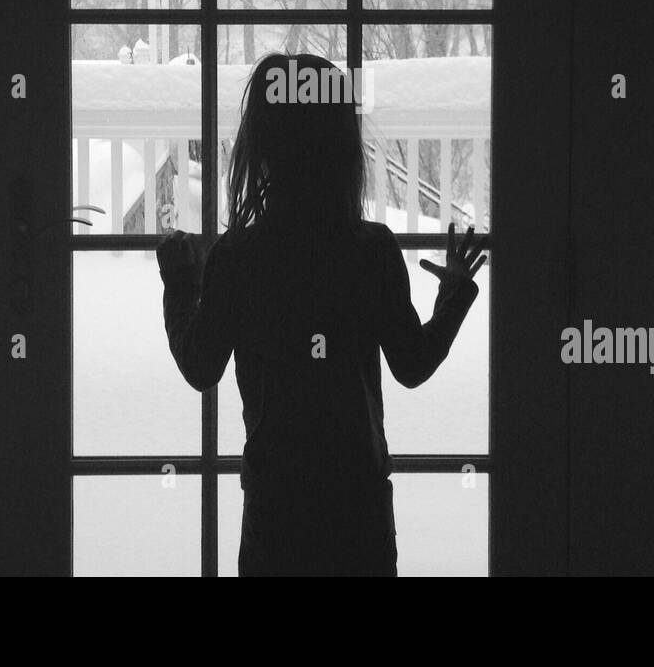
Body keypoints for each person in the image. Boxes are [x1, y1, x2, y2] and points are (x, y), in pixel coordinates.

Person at [157, 52, 485, 576]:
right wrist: (454, 296)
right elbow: (413, 364)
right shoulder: (370, 249)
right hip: (359, 505)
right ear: (342, 148)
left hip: (276, 506)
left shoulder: (240, 256)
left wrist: (180, 281)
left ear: (261, 148)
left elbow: (200, 366)